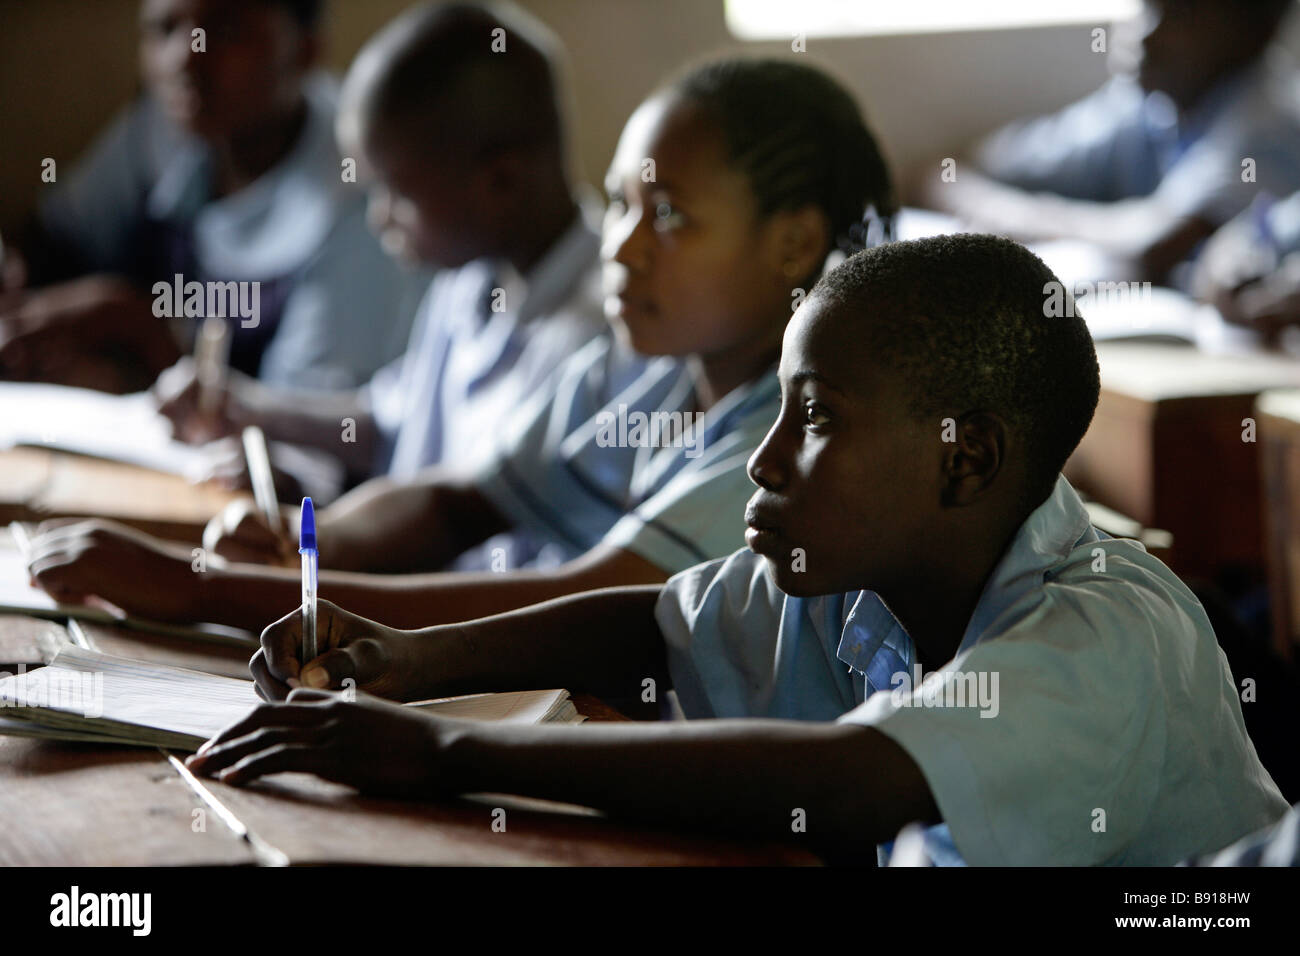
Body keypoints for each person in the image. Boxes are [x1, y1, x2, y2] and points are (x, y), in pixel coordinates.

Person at [186, 235, 1290, 866]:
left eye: (812, 419)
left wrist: (438, 755)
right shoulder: (860, 581)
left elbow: (856, 781)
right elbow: (655, 626)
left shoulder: (1102, 630)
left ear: (964, 460)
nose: (763, 462)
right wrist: (413, 660)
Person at [26, 56, 898, 633]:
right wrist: (304, 550)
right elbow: (454, 502)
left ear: (793, 242)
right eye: (621, 204)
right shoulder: (637, 374)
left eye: (667, 215)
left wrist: (208, 591)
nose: (622, 246)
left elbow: (582, 603)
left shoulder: (789, 441)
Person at [150, 0, 618, 501]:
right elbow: (392, 419)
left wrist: (332, 532)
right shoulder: (469, 280)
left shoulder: (593, 342)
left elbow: (483, 547)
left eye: (397, 192)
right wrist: (247, 409)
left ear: (500, 181)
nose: (379, 217)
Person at [0, 0, 421, 393]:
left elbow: (301, 439)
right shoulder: (163, 128)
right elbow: (52, 240)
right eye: (164, 29)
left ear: (306, 49)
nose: (184, 58)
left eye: (227, 31)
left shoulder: (360, 202)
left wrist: (145, 332)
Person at [919, 0, 1300, 283]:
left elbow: (1155, 245)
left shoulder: (1271, 119)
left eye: (1182, 15)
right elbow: (954, 169)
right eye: (1147, 8)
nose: (1148, 33)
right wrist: (982, 201)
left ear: (1254, 36)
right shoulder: (1149, 102)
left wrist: (1007, 217)